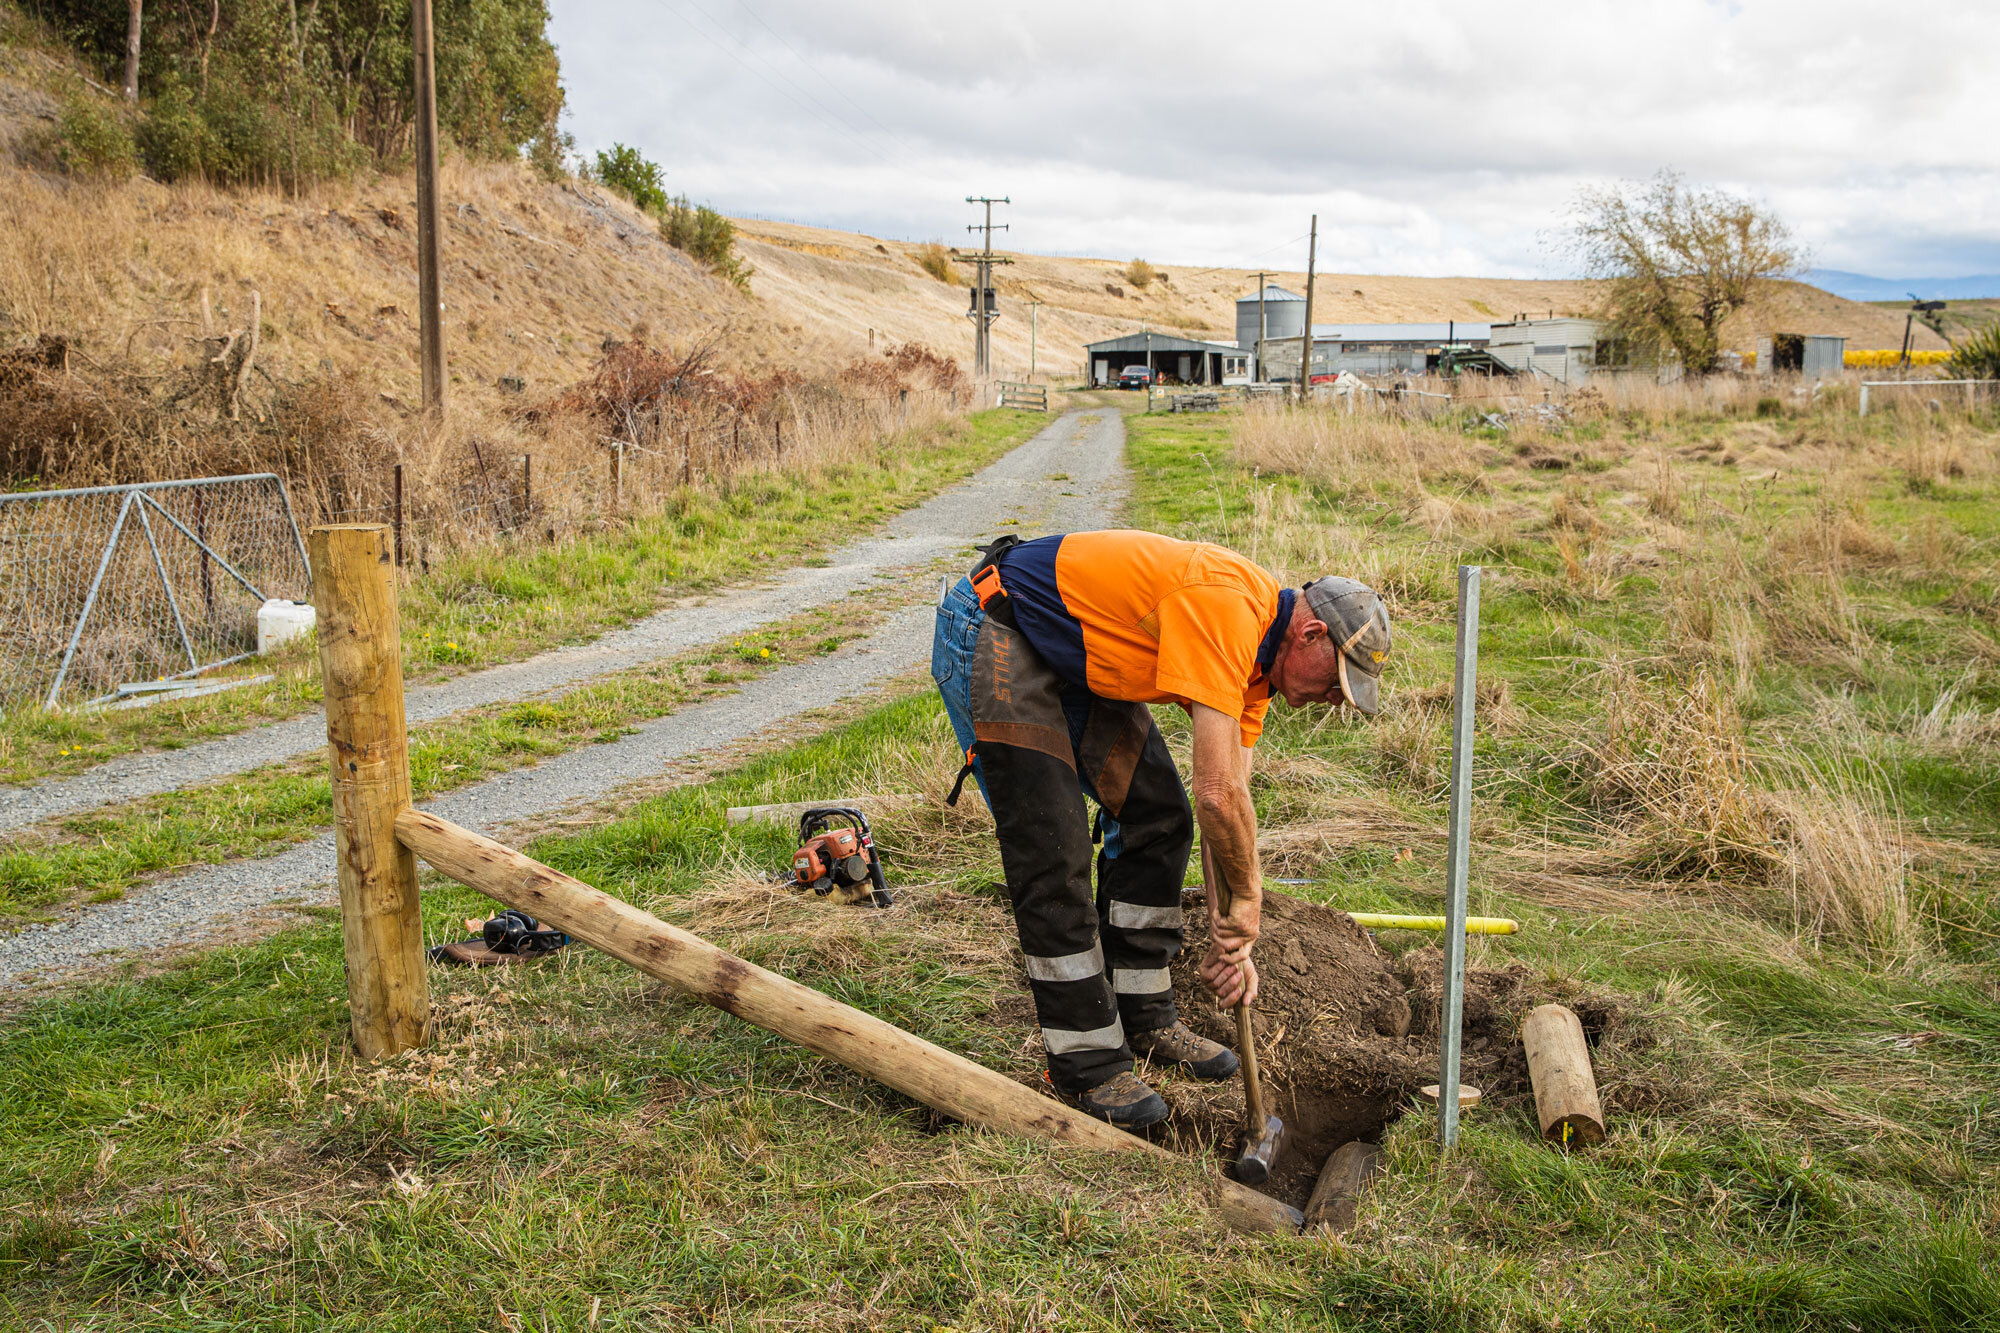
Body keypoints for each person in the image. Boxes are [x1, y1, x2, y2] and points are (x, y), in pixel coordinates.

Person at [930, 529, 1391, 1126]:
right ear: (1310, 634)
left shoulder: (1259, 666)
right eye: (1337, 680)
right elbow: (1218, 796)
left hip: (1074, 653)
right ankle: (1087, 1061)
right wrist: (1251, 895)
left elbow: (1230, 801)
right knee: (1052, 847)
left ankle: (1144, 1015)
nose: (1335, 698)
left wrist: (1233, 933)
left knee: (1159, 817)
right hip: (999, 625)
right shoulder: (1228, 611)